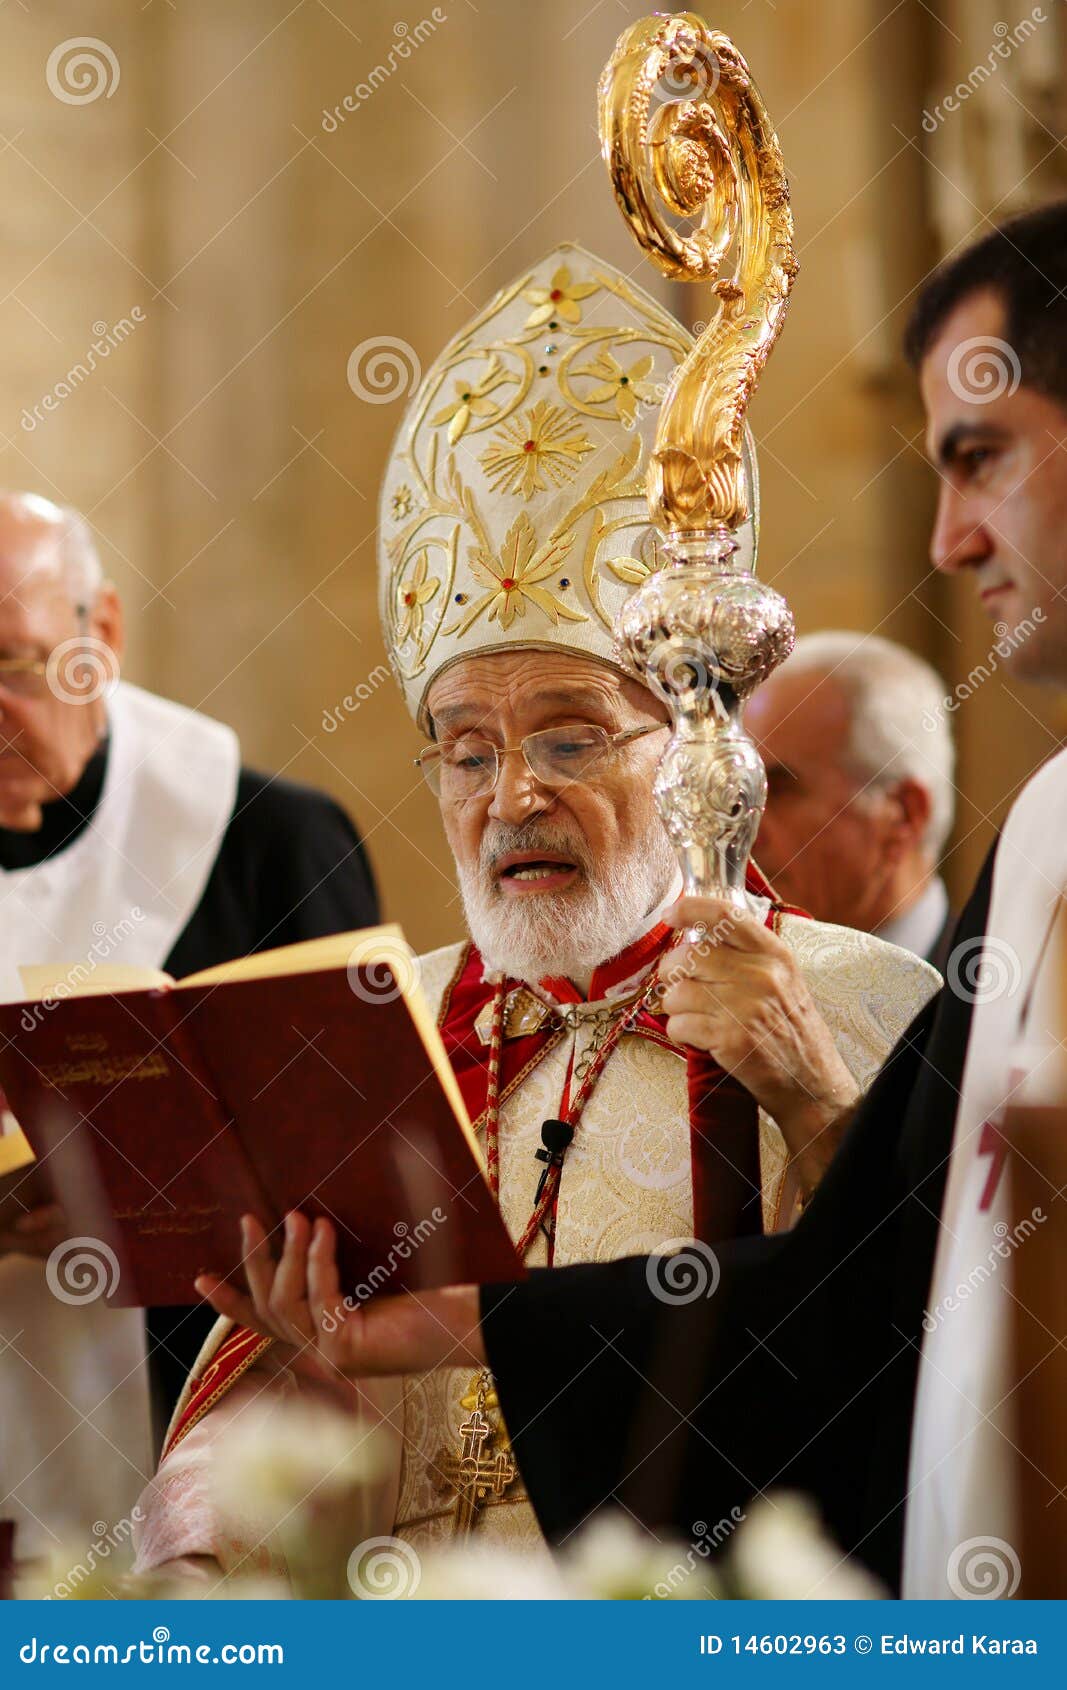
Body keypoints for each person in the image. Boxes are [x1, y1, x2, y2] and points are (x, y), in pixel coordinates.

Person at [216, 201, 1067, 1601]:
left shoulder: (864, 1000)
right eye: (467, 752)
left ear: (688, 748)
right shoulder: (376, 1034)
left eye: (566, 737)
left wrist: (805, 1099)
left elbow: (902, 1328)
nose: (512, 798)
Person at [0, 491, 379, 1557]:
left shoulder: (264, 845)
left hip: (205, 1450)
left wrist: (154, 1202)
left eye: (14, 666)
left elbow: (374, 1190)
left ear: (100, 635)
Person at [746, 631, 956, 964]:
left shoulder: (1001, 991)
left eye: (780, 791)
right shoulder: (709, 999)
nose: (740, 832)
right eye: (739, 792)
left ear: (901, 814)